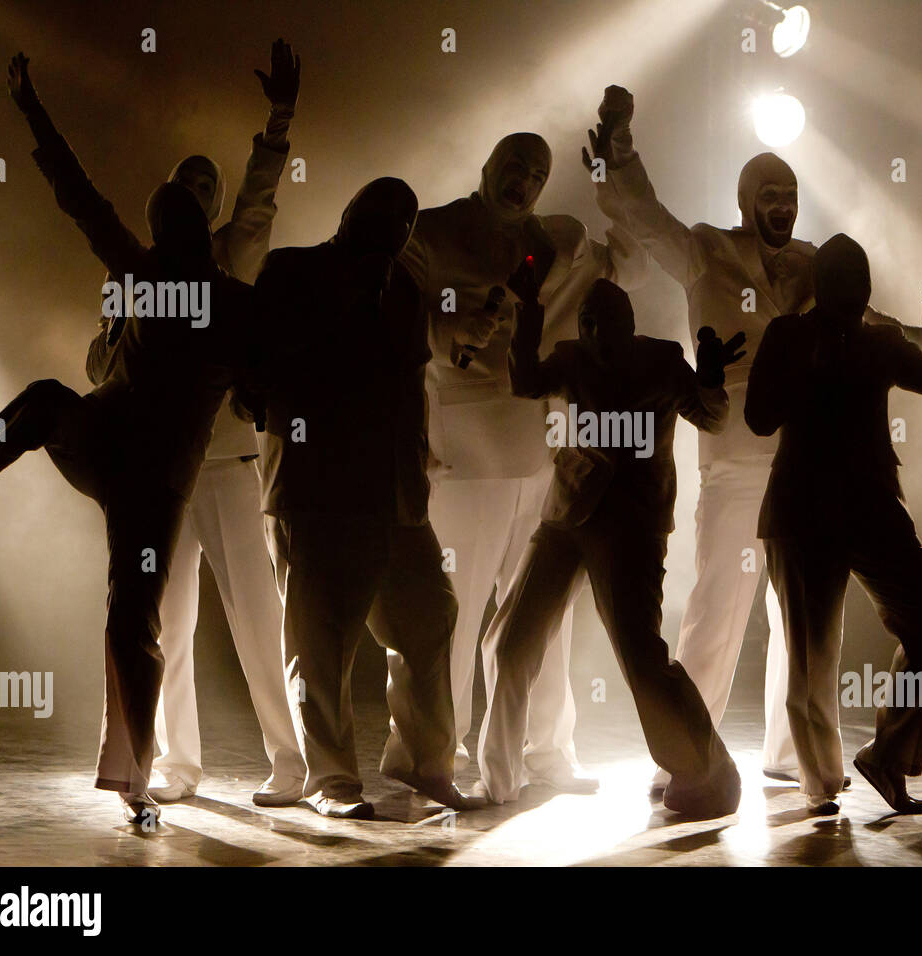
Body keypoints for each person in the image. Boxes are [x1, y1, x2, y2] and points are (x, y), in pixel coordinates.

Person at [0, 54, 253, 824]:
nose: (168, 235)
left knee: (132, 618)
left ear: (199, 235)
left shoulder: (226, 299)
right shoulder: (146, 273)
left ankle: (139, 778)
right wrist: (32, 113)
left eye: (181, 222)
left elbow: (276, 371)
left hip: (154, 480)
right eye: (165, 221)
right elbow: (78, 199)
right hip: (111, 440)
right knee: (48, 399)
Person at [587, 85, 898, 789]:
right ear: (747, 198)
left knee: (804, 617)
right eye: (769, 191)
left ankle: (795, 756)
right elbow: (642, 215)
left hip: (803, 459)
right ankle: (685, 754)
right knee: (715, 613)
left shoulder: (817, 262)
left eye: (790, 191)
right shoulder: (704, 249)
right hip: (731, 458)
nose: (782, 201)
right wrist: (619, 152)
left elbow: (866, 318)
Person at [384, 132, 648, 794]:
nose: (523, 179)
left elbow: (636, 260)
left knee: (541, 618)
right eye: (513, 165)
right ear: (486, 166)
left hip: (543, 451)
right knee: (451, 615)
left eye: (536, 171)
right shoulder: (432, 231)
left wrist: (614, 170)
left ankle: (547, 753)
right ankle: (428, 755)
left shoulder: (562, 241)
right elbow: (392, 315)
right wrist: (448, 336)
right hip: (463, 456)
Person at [84, 38, 304, 808]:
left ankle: (291, 763)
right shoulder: (135, 277)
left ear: (211, 206)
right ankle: (176, 763)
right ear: (170, 201)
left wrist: (277, 120)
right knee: (163, 622)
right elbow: (95, 369)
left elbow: (261, 197)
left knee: (258, 616)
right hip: (156, 471)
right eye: (188, 183)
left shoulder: (235, 253)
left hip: (232, 463)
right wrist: (115, 333)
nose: (200, 192)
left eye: (207, 184)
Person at [250, 178, 483, 819]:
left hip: (388, 490)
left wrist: (416, 471)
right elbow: (260, 365)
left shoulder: (401, 289)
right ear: (348, 212)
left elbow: (411, 384)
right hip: (311, 486)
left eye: (405, 220)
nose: (394, 228)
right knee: (319, 643)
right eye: (382, 214)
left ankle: (421, 762)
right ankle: (333, 781)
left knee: (429, 617)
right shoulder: (291, 269)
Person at [476, 270, 744, 819]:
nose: (596, 331)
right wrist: (528, 307)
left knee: (642, 657)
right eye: (587, 322)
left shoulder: (663, 361)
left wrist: (711, 379)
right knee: (510, 644)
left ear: (630, 323)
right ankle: (499, 782)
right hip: (566, 515)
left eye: (607, 321)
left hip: (631, 526)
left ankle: (710, 772)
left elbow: (711, 418)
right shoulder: (573, 357)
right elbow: (526, 380)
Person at [746, 235, 922, 815]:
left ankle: (886, 757)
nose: (856, 290)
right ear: (821, 286)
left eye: (861, 279)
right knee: (810, 659)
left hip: (867, 504)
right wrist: (802, 363)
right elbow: (759, 418)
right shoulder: (789, 334)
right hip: (802, 510)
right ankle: (819, 784)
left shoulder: (877, 344)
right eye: (843, 278)